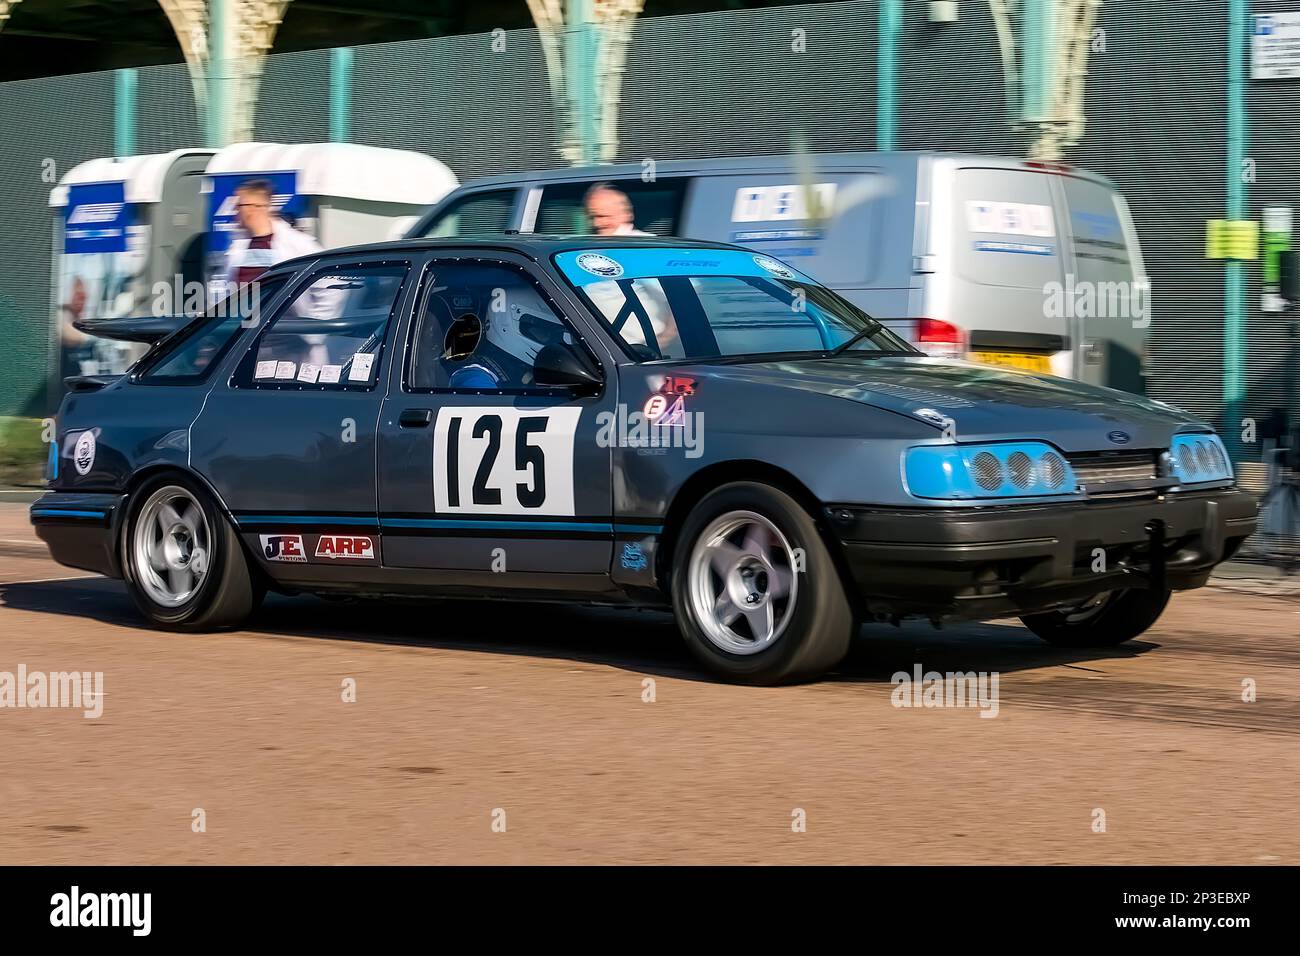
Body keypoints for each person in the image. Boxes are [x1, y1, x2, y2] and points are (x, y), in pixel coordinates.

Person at [216, 178, 322, 292]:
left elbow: (329, 284)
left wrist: (316, 311)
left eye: (239, 205)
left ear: (252, 208)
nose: (235, 210)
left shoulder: (297, 243)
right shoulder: (239, 245)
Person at [583, 183, 653, 237]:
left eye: (603, 216)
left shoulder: (648, 246)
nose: (596, 223)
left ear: (626, 215)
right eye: (592, 217)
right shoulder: (586, 248)